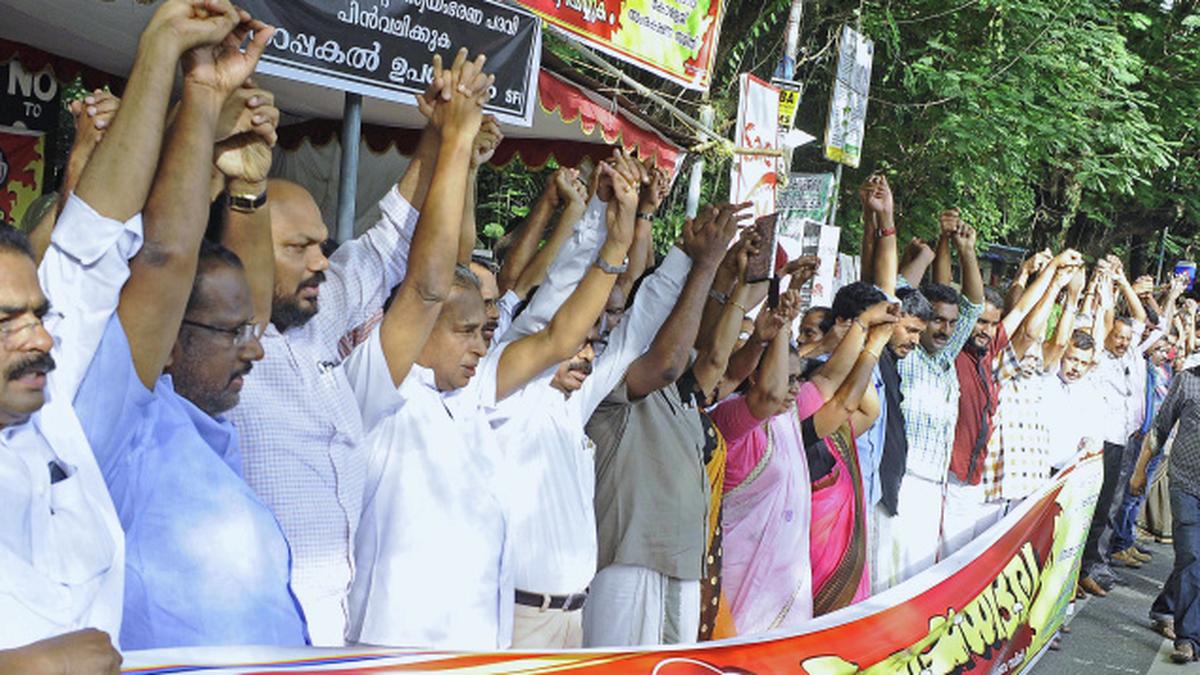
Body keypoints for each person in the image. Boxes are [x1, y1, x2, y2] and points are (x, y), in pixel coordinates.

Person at [71, 6, 308, 649]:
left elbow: (232, 298)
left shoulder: (203, 424)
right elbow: (161, 256)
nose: (256, 348)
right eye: (233, 335)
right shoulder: (107, 417)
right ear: (167, 342)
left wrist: (247, 190)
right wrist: (196, 88)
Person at [228, 53, 476, 646]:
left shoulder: (318, 323)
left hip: (328, 637)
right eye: (298, 248)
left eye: (321, 244)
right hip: (249, 641)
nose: (321, 261)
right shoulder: (216, 353)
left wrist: (441, 134)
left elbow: (396, 240)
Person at [579, 205, 753, 647]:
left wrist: (721, 272)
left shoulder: (679, 392)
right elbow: (668, 359)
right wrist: (704, 264)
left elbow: (705, 349)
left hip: (682, 565)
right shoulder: (604, 378)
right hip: (628, 565)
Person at [893, 208, 985, 583]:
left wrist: (967, 251)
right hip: (902, 485)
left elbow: (974, 306)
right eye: (937, 321)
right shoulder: (905, 355)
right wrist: (929, 254)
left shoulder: (945, 359)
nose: (946, 330)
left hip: (935, 489)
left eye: (951, 323)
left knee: (918, 582)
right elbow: (894, 293)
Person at [1131, 357, 1200, 663]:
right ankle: (1189, 639)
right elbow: (1160, 428)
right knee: (1193, 555)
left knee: (1192, 559)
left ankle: (1164, 607)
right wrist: (1139, 470)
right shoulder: (1187, 381)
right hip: (1186, 484)